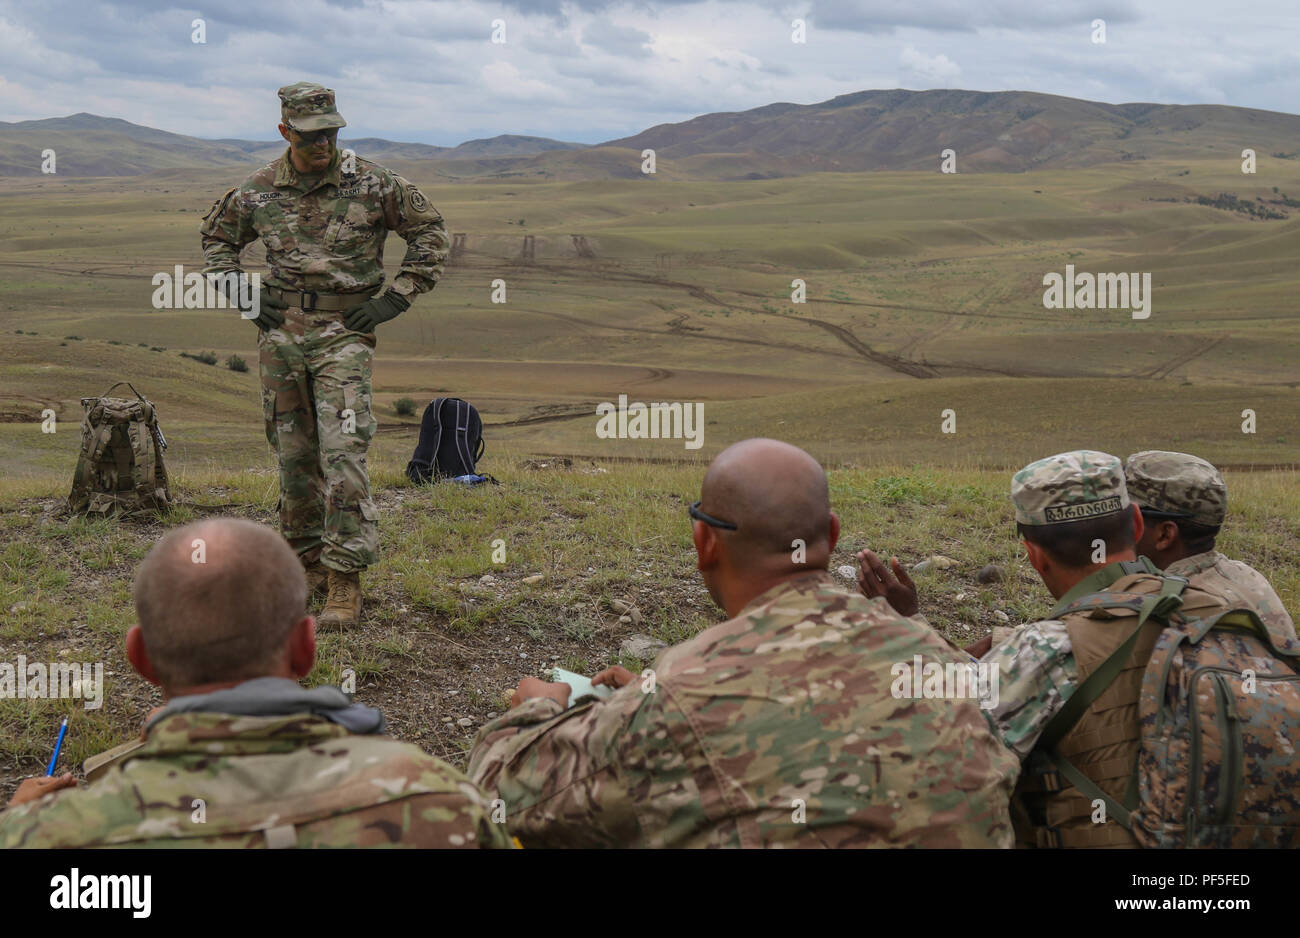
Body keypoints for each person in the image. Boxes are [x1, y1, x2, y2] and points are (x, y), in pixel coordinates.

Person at [467, 439, 1019, 848]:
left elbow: (498, 795)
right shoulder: (941, 657)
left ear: (704, 541)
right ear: (831, 534)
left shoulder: (684, 688)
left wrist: (537, 708)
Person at [0, 519, 509, 849]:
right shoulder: (444, 802)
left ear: (140, 658)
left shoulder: (46, 838)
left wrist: (22, 825)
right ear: (305, 648)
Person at [860, 451, 1233, 848]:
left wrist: (903, 625)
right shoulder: (1225, 606)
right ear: (1137, 524)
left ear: (1033, 554)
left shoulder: (1053, 648)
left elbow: (935, 732)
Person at [200, 81, 449, 628]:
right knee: (293, 457)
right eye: (312, 135)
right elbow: (216, 241)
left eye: (333, 132)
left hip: (345, 331)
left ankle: (344, 580)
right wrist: (244, 295)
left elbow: (430, 234)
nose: (324, 144)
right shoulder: (258, 189)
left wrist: (394, 301)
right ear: (286, 130)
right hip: (280, 333)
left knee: (343, 452)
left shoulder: (374, 182)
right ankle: (302, 566)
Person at [1125, 450, 1295, 644]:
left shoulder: (1166, 605)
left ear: (1165, 535)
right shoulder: (1247, 576)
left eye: (1128, 518)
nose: (1119, 527)